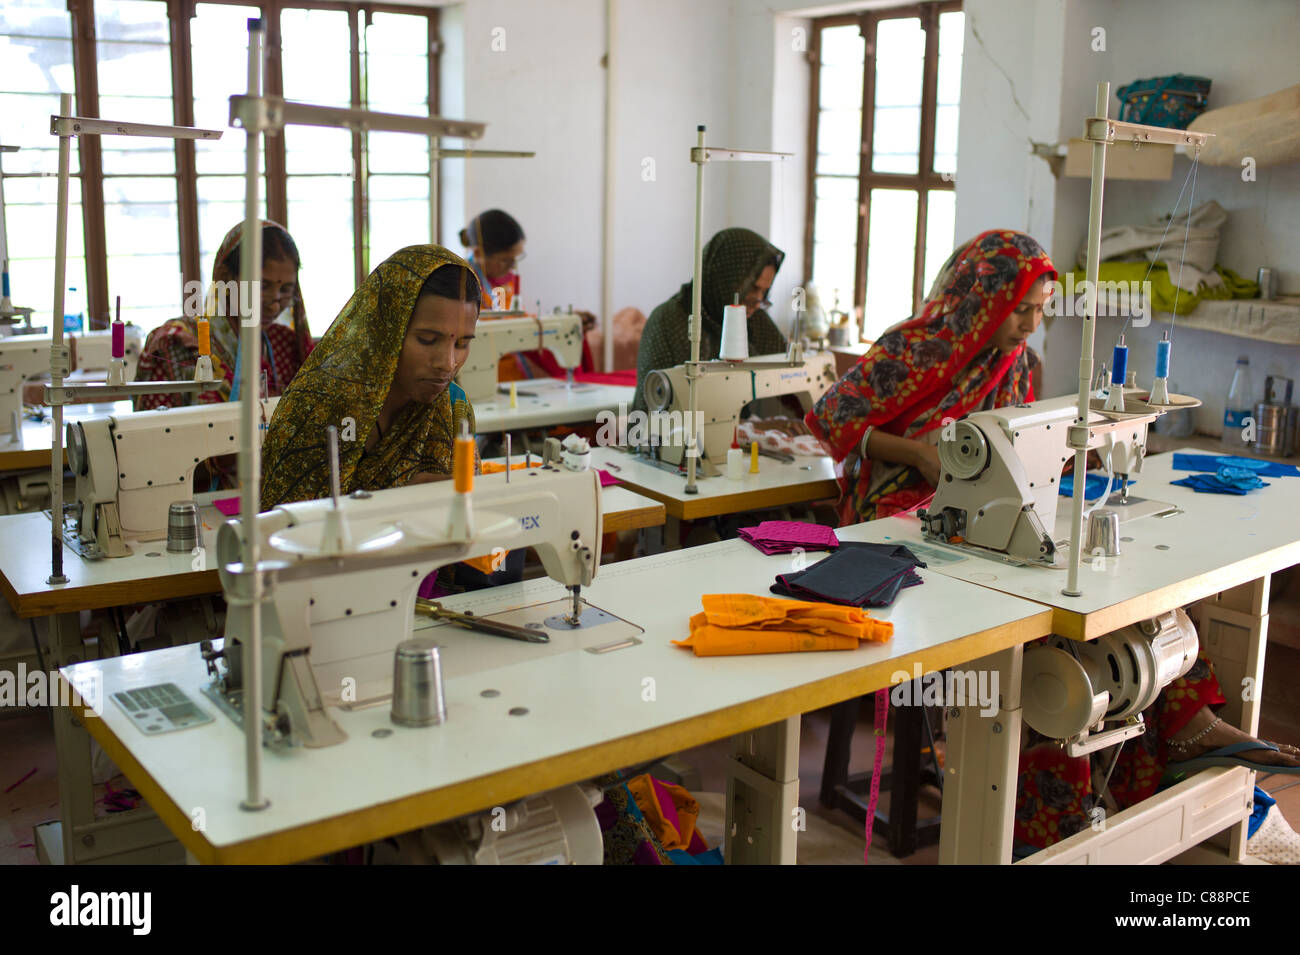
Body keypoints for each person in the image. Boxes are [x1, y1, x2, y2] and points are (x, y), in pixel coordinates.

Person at [805, 229, 1052, 525]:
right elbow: (834, 419)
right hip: (888, 518)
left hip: (976, 515)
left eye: (1039, 310)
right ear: (982, 298)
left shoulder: (1014, 364)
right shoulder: (909, 349)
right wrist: (918, 454)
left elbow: (1024, 439)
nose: (1031, 325)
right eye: (1021, 309)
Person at [260, 245, 479, 509]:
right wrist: (396, 499)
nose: (448, 363)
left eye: (462, 344)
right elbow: (285, 530)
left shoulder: (455, 408)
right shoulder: (315, 408)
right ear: (385, 330)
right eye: (427, 340)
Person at [134, 220, 310, 412]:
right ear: (226, 278)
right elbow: (156, 434)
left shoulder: (284, 344)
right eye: (262, 286)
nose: (275, 302)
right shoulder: (176, 345)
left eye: (286, 289)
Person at [632, 227, 786, 414]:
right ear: (728, 278)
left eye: (764, 292)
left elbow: (786, 371)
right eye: (753, 288)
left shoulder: (754, 321)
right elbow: (653, 409)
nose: (757, 301)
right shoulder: (667, 322)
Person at [460, 209, 597, 377]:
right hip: (480, 374)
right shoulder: (461, 286)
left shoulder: (506, 283)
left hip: (512, 376)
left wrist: (562, 322)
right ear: (478, 253)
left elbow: (517, 321)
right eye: (505, 260)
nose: (512, 266)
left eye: (516, 259)